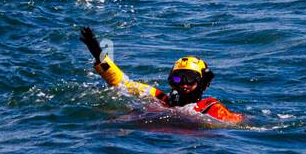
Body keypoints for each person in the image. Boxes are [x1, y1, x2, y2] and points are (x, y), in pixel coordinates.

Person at [79, 26, 244, 123]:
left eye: (191, 79)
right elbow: (121, 83)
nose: (184, 84)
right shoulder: (159, 99)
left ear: (202, 83)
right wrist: (98, 53)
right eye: (178, 78)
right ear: (171, 81)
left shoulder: (211, 109)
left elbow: (238, 125)